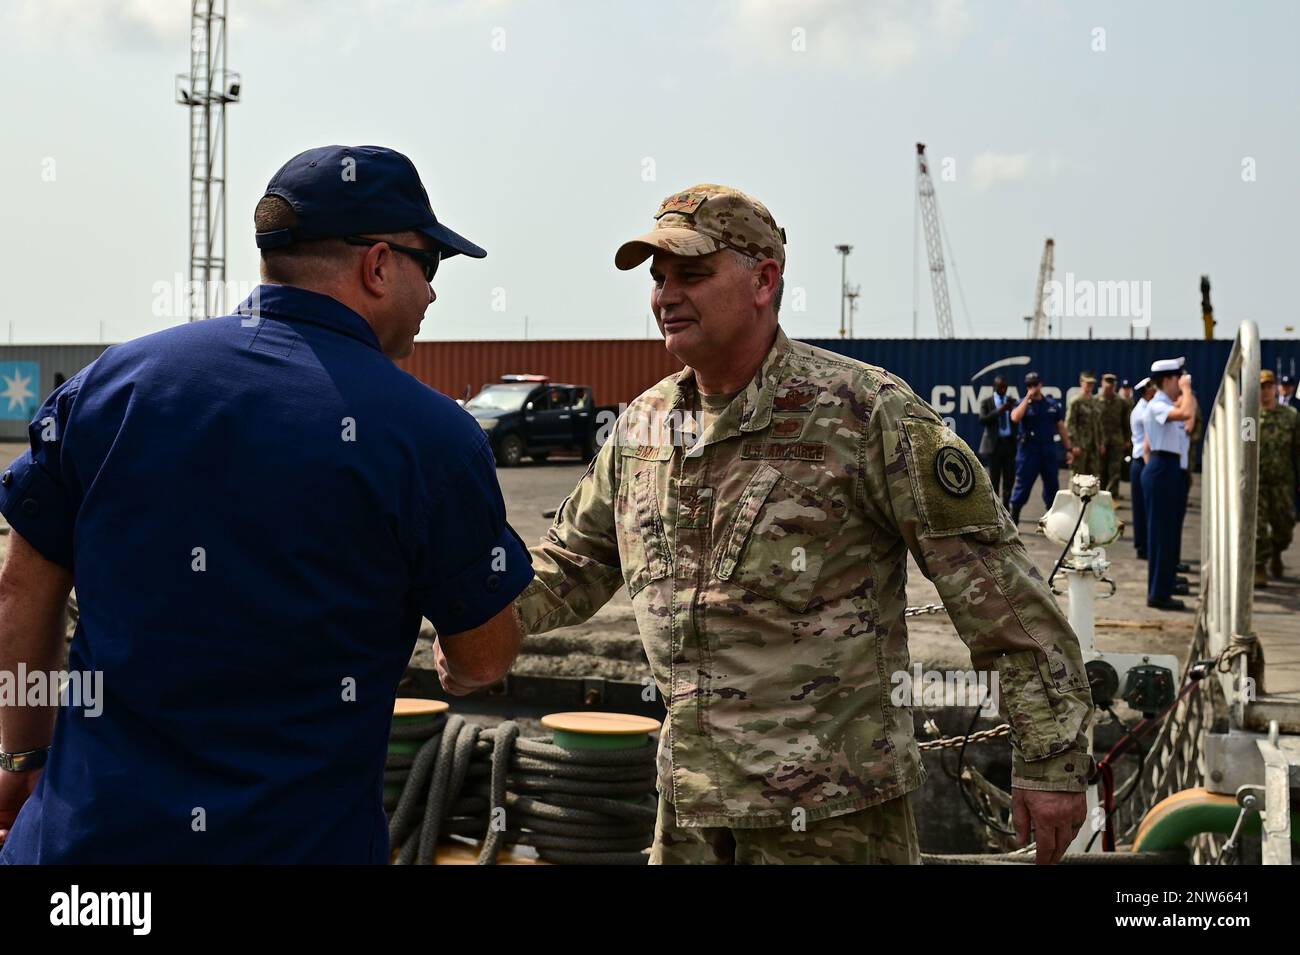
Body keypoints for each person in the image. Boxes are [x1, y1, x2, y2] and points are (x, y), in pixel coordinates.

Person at [512, 184, 1092, 865]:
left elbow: (1003, 597)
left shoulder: (866, 413)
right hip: (691, 818)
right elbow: (571, 565)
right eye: (658, 277)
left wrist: (1050, 760)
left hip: (833, 822)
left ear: (764, 280)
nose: (666, 295)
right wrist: (472, 613)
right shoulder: (643, 428)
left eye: (692, 273)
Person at [0, 145, 535, 863]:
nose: (433, 294)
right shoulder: (433, 437)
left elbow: (21, 591)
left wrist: (22, 759)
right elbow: (483, 655)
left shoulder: (112, 386)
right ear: (377, 265)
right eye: (429, 266)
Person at [1141, 358, 1197, 610]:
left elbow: (1189, 417)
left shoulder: (1165, 403)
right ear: (1167, 380)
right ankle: (1158, 593)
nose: (1181, 382)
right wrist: (1187, 391)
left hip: (1169, 467)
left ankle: (1163, 586)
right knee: (1161, 535)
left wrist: (1187, 391)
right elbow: (1185, 413)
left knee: (1168, 532)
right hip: (1162, 467)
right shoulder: (1156, 406)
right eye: (1178, 378)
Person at [1009, 371, 1071, 526]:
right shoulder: (1022, 403)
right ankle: (1014, 521)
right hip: (1028, 451)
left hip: (1047, 451)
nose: (1032, 388)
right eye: (1029, 385)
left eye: (1035, 384)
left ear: (1041, 384)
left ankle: (1052, 522)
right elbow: (1015, 417)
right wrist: (1027, 398)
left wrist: (1069, 448)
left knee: (1052, 486)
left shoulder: (1051, 405)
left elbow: (1061, 427)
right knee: (1023, 486)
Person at [1255, 370, 1300, 585]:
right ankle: (1259, 566)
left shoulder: (1291, 416)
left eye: (1269, 386)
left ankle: (1276, 553)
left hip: (1283, 481)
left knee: (1285, 528)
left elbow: (1298, 449)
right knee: (1257, 527)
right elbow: (1243, 449)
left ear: (1275, 388)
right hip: (1258, 482)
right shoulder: (1249, 417)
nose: (1265, 391)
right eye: (1261, 387)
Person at [978, 375, 1018, 507]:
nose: (1003, 389)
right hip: (994, 446)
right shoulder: (987, 402)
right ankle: (995, 508)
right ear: (994, 388)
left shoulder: (1012, 401)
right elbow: (983, 419)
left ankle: (1006, 507)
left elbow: (1019, 420)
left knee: (1009, 480)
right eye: (1000, 387)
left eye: (1005, 387)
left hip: (1009, 445)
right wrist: (999, 411)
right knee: (994, 480)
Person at [1129, 377, 1155, 560]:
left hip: (1140, 462)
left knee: (1144, 507)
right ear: (1147, 390)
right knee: (1143, 508)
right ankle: (1143, 547)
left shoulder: (1144, 408)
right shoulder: (1144, 412)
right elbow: (1149, 443)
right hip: (1142, 462)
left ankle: (1144, 545)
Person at [1096, 373, 1130, 499]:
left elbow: (1125, 422)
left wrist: (1127, 439)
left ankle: (1112, 497)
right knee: (1100, 471)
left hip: (1117, 441)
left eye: (1111, 384)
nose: (1109, 387)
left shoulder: (1121, 402)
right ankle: (1099, 496)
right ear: (1102, 384)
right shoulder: (1096, 401)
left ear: (1115, 386)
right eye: (1107, 384)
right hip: (1101, 442)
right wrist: (1098, 442)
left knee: (1114, 471)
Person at [1066, 371, 1102, 479]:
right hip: (1080, 446)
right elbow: (1070, 424)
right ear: (1081, 383)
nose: (1090, 386)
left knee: (1093, 477)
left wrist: (1101, 442)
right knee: (1077, 477)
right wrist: (1074, 444)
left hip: (1093, 445)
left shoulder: (1095, 401)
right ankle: (1075, 497)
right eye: (1087, 383)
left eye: (1092, 383)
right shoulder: (1075, 401)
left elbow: (1098, 423)